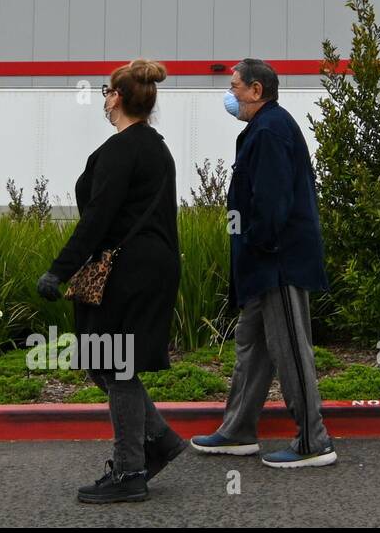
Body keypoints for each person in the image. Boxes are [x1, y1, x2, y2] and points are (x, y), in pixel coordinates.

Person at [37, 58, 186, 504]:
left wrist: (58, 270)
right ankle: (157, 440)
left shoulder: (122, 149)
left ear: (117, 97)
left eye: (107, 90)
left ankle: (130, 471)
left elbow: (98, 219)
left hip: (127, 269)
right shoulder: (155, 146)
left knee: (115, 363)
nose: (104, 97)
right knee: (105, 360)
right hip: (149, 266)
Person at [190, 59, 336, 468]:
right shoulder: (262, 129)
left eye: (235, 86)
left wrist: (257, 243)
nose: (230, 94)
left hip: (278, 263)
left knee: (289, 348)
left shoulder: (270, 130)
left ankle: (314, 441)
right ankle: (237, 431)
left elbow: (271, 203)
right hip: (262, 264)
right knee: (252, 347)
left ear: (257, 90)